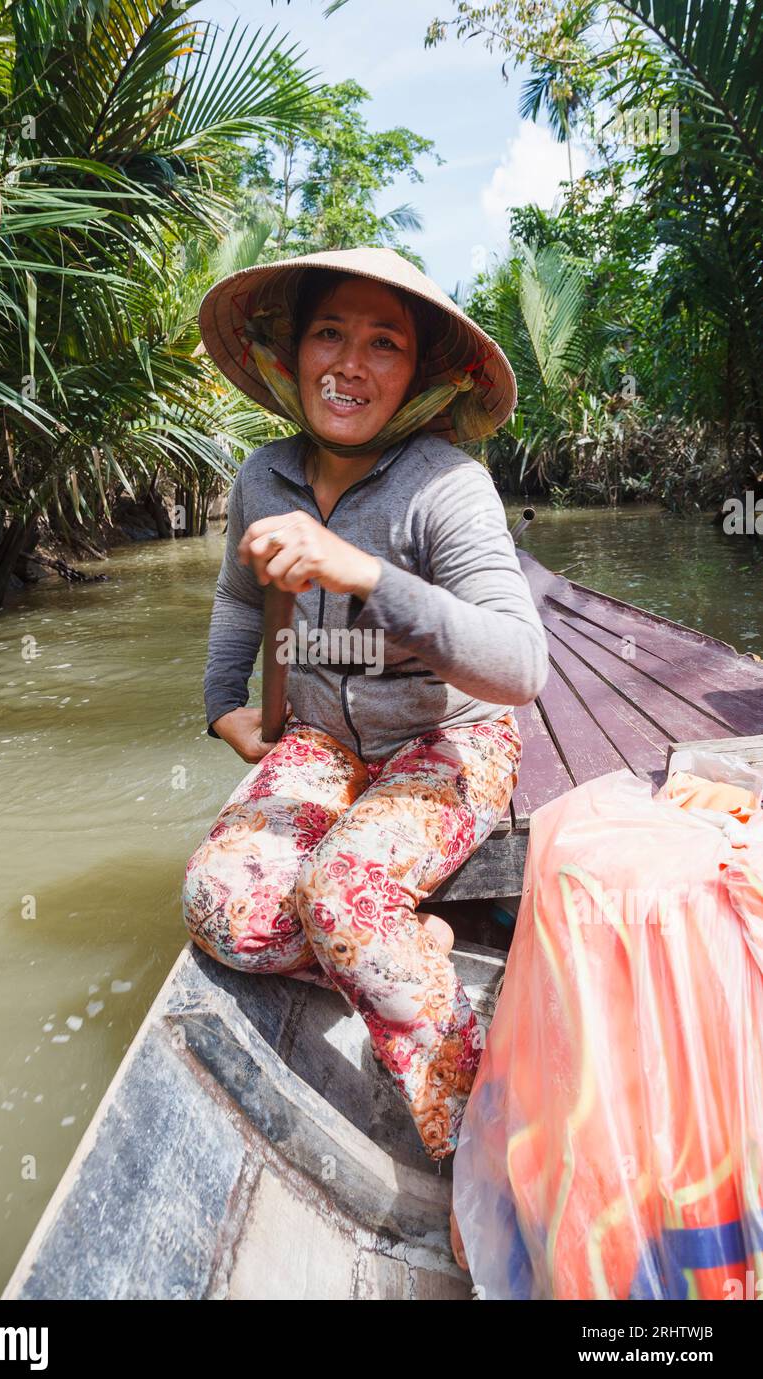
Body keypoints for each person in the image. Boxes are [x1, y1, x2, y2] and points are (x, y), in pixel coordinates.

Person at [182, 246, 549, 1168]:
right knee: (218, 907)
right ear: (291, 352)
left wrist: (371, 576)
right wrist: (225, 702)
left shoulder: (446, 486)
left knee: (342, 894)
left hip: (446, 739)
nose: (350, 363)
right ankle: (399, 945)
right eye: (329, 333)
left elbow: (520, 664)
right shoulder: (262, 476)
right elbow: (237, 599)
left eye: (383, 343)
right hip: (319, 738)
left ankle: (475, 1142)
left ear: (418, 373)